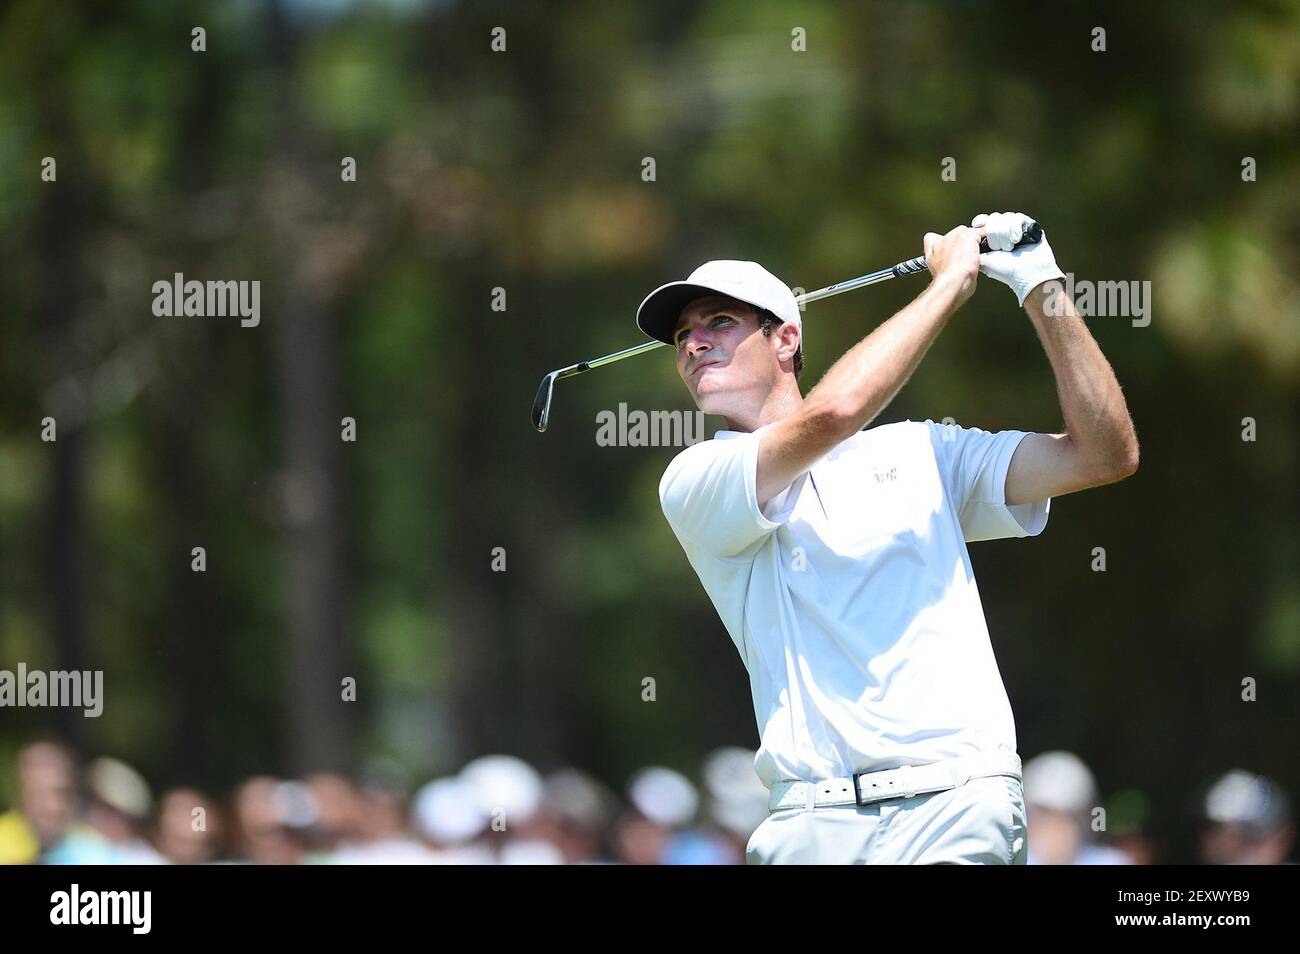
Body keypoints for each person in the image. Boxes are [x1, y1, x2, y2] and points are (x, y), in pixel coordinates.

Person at [639, 212, 1139, 864]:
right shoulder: (695, 480)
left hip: (952, 808)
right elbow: (834, 415)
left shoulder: (926, 451)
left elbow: (1103, 455)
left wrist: (1041, 287)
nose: (693, 344)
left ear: (785, 339)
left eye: (719, 323)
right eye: (682, 335)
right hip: (806, 825)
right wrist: (948, 285)